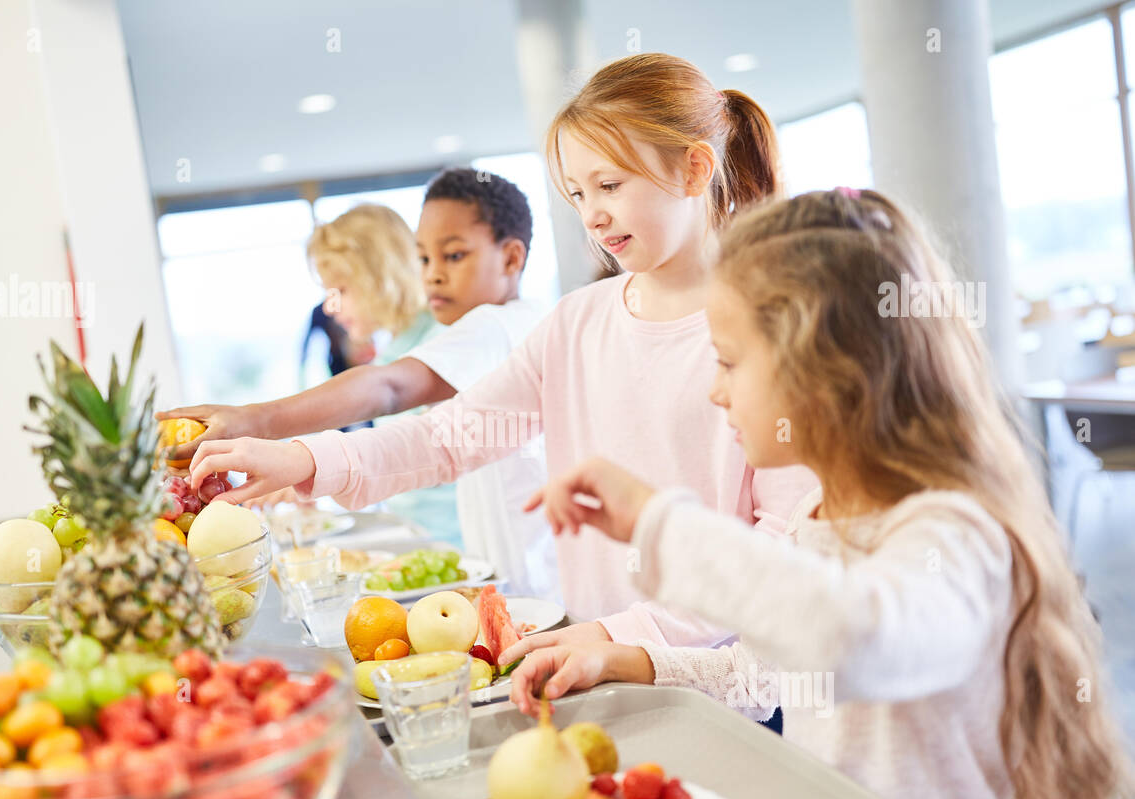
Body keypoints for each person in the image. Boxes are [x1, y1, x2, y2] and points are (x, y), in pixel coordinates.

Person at [511, 188, 1133, 799]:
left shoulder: (954, 534)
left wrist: (659, 522)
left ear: (826, 369)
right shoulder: (819, 517)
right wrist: (620, 659)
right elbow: (769, 677)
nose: (716, 391)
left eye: (729, 361)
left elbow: (856, 639)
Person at [184, 53, 817, 653]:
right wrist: (300, 458)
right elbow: (446, 440)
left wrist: (624, 638)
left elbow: (779, 551)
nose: (592, 215)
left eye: (609, 185)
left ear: (695, 169)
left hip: (726, 686)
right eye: (576, 194)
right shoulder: (576, 324)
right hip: (595, 666)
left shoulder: (775, 333)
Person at [162, 171, 558, 597]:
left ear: (512, 258)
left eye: (455, 256)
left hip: (514, 573)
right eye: (424, 259)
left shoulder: (492, 328)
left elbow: (389, 389)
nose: (433, 276)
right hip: (504, 565)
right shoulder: (515, 323)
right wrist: (303, 466)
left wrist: (254, 422)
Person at [163, 202, 461, 544]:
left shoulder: (435, 348)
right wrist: (302, 474)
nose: (331, 307)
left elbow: (416, 454)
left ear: (383, 277)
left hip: (457, 543)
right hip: (419, 537)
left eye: (341, 291)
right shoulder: (394, 350)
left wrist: (303, 467)